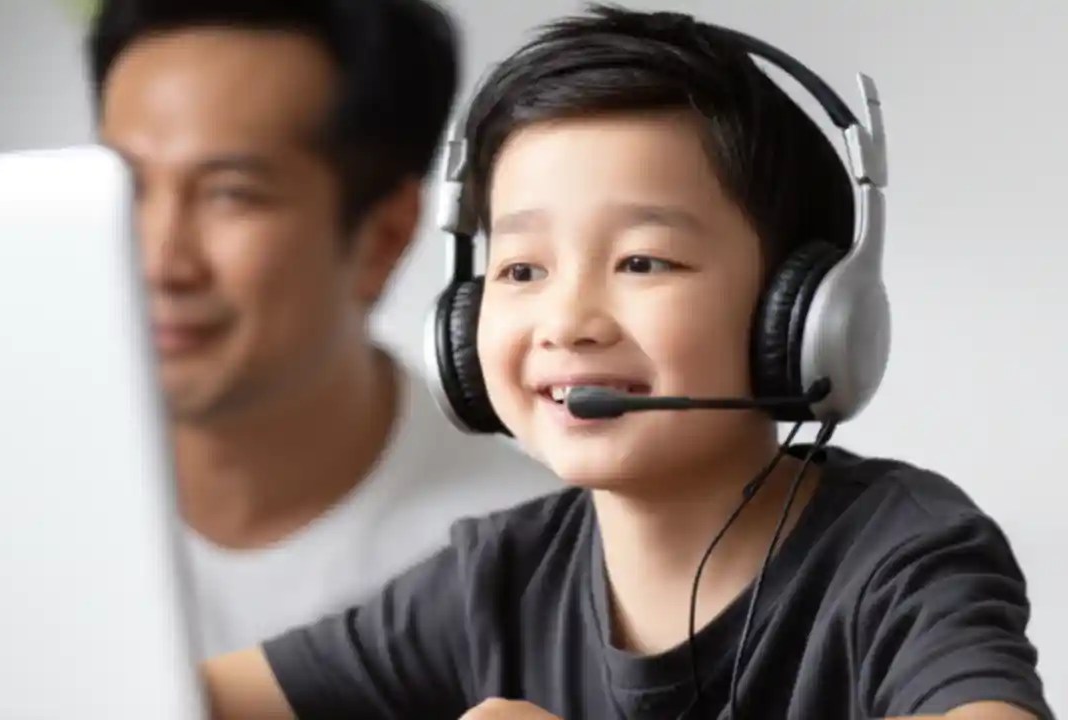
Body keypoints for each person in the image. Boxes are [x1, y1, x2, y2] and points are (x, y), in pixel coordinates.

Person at [197, 6, 1053, 720]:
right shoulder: (494, 579)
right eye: (522, 270)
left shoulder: (901, 556)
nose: (567, 321)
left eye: (643, 262)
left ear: (804, 314)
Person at [86, 0, 559, 658]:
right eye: (124, 186)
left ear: (383, 238)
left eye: (231, 193)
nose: (161, 261)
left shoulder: (547, 570)